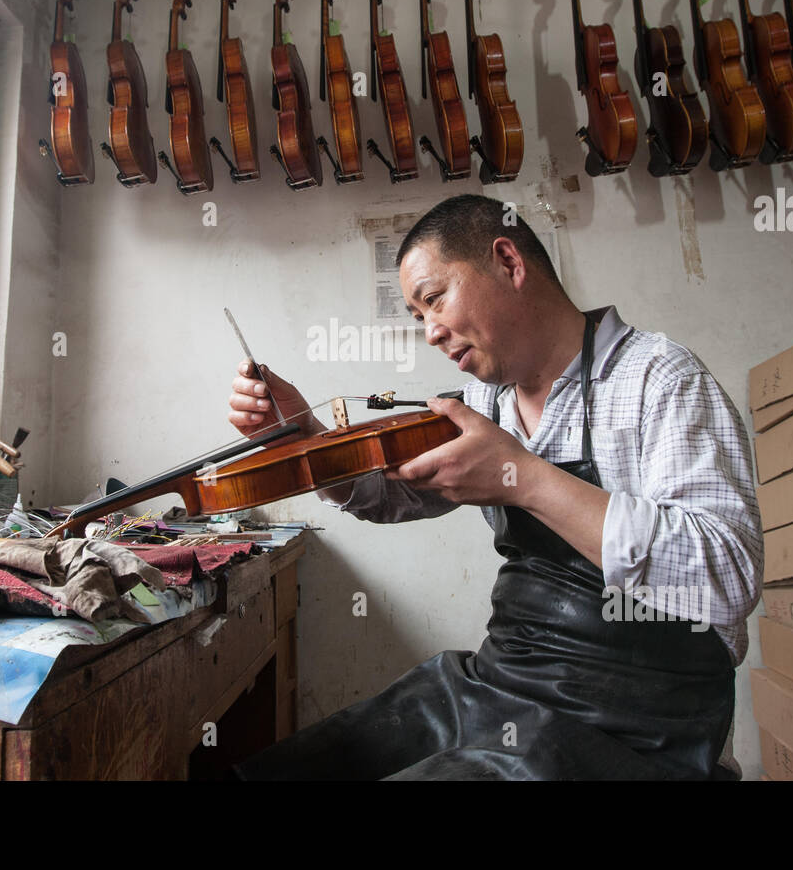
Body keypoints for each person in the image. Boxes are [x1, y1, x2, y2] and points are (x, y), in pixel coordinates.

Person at [226, 194, 762, 780]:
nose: (430, 332)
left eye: (433, 299)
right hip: (502, 681)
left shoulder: (659, 378)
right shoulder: (489, 400)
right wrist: (308, 437)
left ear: (508, 262)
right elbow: (393, 494)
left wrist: (526, 477)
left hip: (634, 725)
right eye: (416, 315)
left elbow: (727, 576)